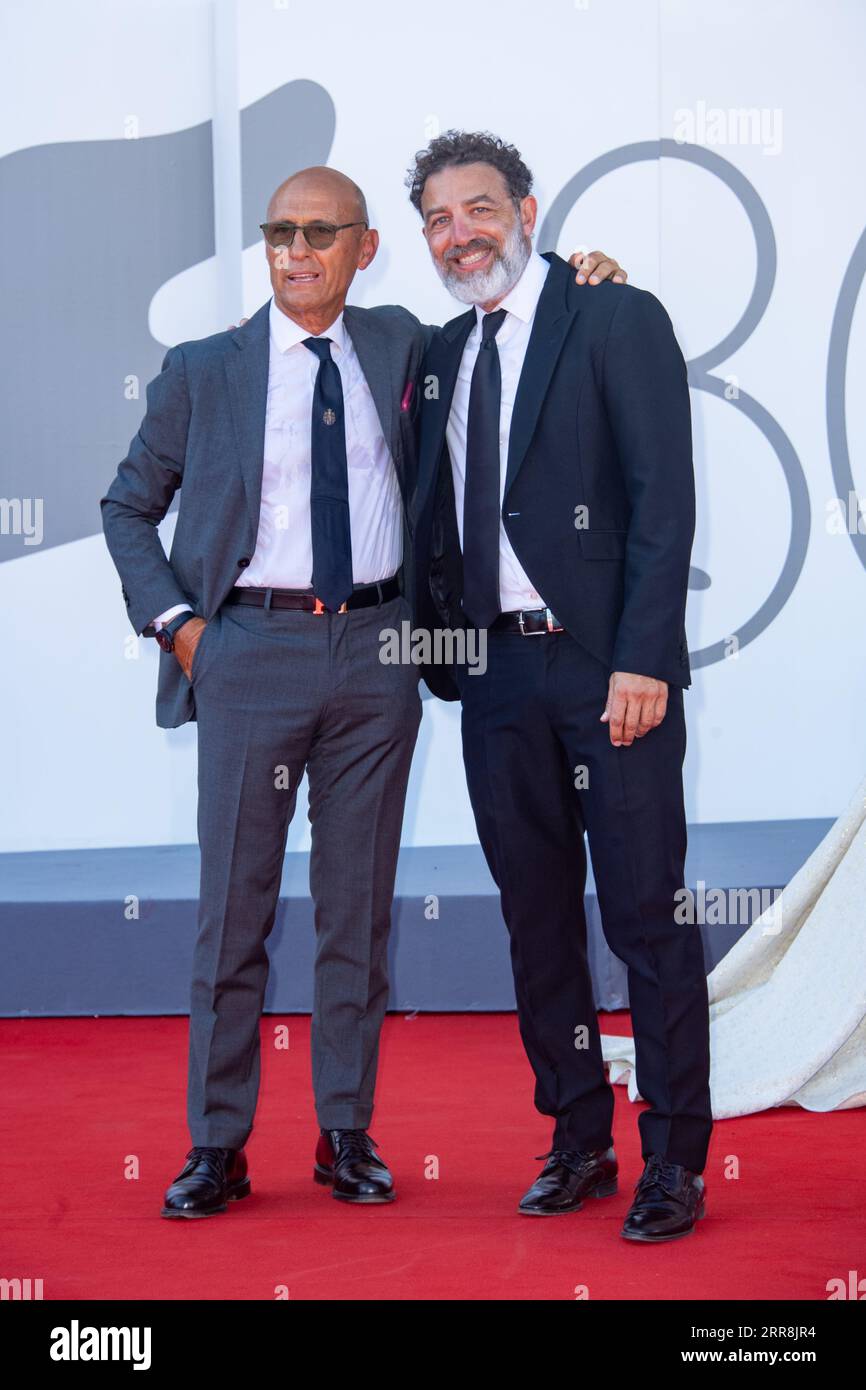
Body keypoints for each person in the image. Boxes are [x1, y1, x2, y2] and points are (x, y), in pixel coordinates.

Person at [101, 162, 626, 1218]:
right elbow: (126, 506)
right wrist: (184, 627)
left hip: (380, 651)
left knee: (357, 911)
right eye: (279, 233)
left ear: (362, 248)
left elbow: (507, 312)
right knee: (232, 912)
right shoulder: (204, 369)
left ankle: (345, 1133)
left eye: (318, 233)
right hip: (250, 646)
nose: (295, 251)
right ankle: (217, 1144)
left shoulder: (403, 348)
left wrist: (584, 277)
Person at [409, 130, 711, 1243]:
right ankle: (578, 1133)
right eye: (438, 220)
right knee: (536, 921)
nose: (460, 235)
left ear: (526, 212)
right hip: (492, 675)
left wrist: (641, 657)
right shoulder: (439, 351)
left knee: (647, 917)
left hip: (604, 669)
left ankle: (673, 1156)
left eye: (478, 209)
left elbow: (661, 502)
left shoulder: (613, 318)